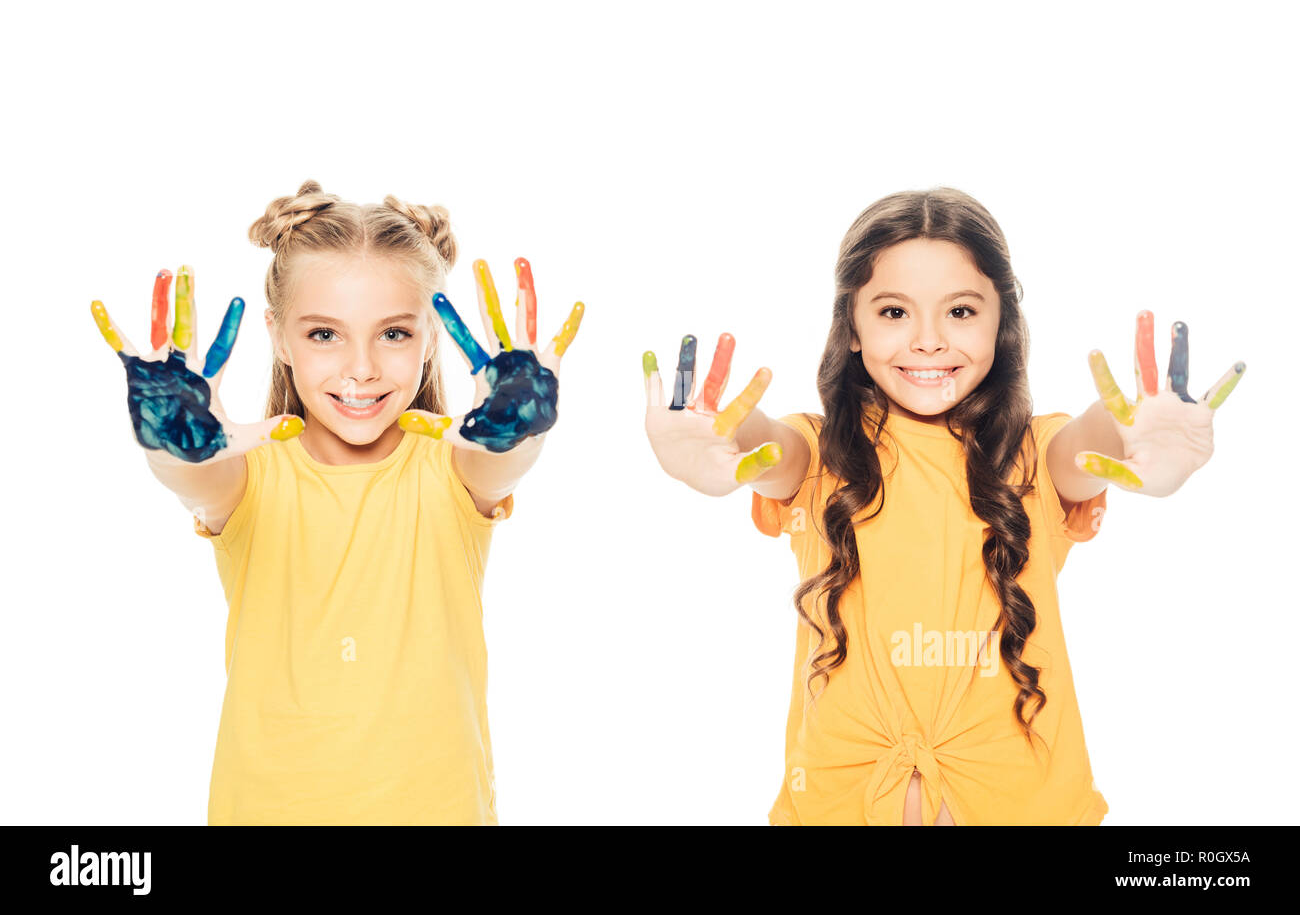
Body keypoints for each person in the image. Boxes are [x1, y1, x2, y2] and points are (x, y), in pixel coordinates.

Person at [642, 186, 1243, 825]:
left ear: (1000, 323)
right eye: (894, 312)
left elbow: (1087, 445)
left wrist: (1135, 436)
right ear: (851, 325)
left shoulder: (1035, 455)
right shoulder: (820, 454)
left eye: (960, 311)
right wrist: (722, 438)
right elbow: (771, 450)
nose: (928, 342)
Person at [91, 179, 583, 824]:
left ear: (432, 336)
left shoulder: (452, 471)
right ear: (279, 337)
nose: (361, 368)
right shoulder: (247, 478)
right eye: (325, 334)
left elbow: (497, 465)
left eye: (395, 334)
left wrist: (516, 427)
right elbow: (196, 479)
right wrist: (175, 447)